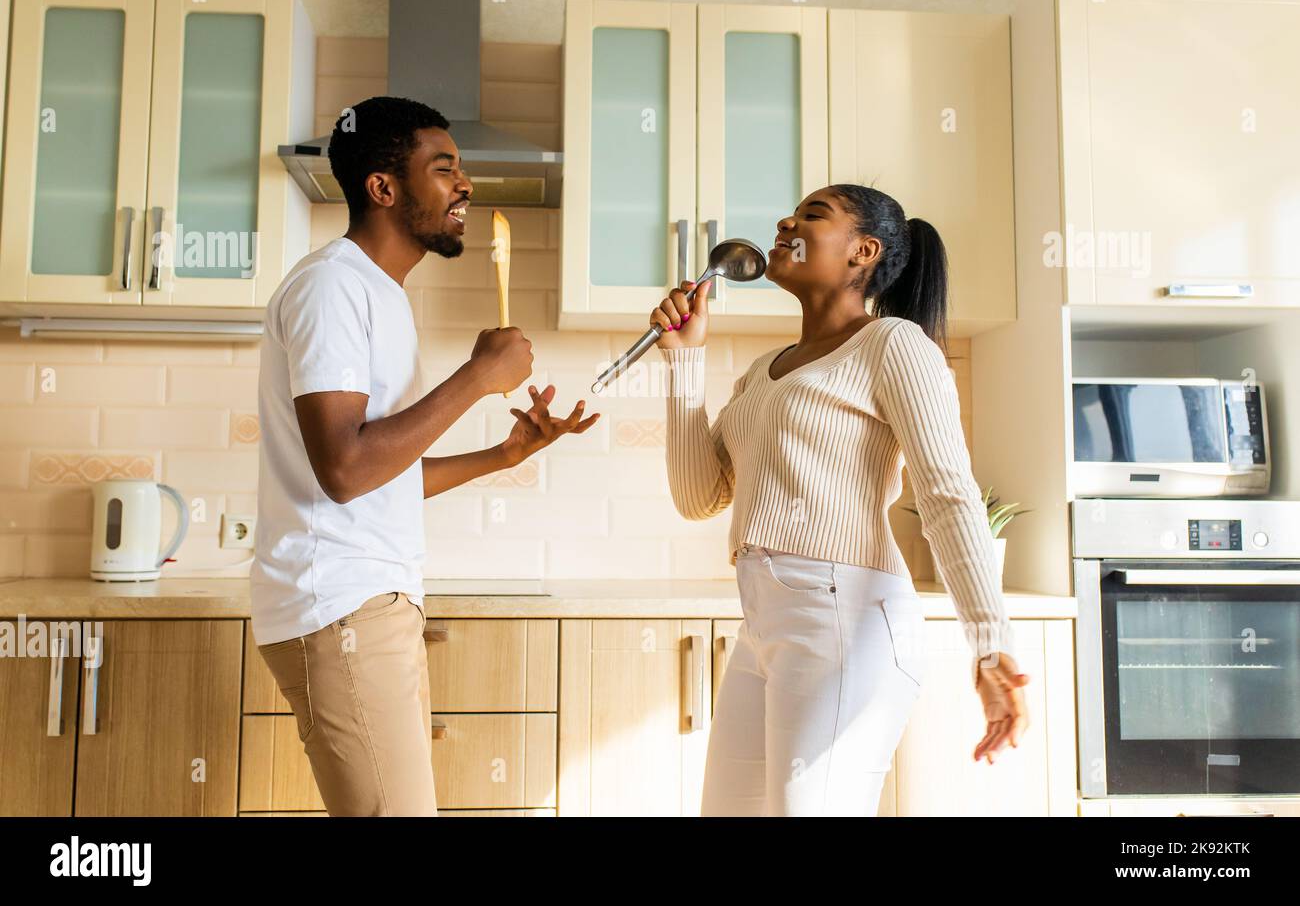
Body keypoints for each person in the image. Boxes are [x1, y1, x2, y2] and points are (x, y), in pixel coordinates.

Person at [251, 96, 597, 816]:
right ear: (384, 188)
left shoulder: (377, 294)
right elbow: (344, 470)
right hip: (342, 605)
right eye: (444, 169)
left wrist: (502, 456)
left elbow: (379, 475)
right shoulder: (333, 287)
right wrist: (475, 378)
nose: (465, 184)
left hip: (367, 604)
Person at [653, 184, 1029, 816]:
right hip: (765, 623)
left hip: (844, 618)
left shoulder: (894, 345)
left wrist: (991, 643)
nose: (785, 221)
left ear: (863, 252)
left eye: (811, 215)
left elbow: (948, 495)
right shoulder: (764, 370)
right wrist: (684, 363)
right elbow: (698, 496)